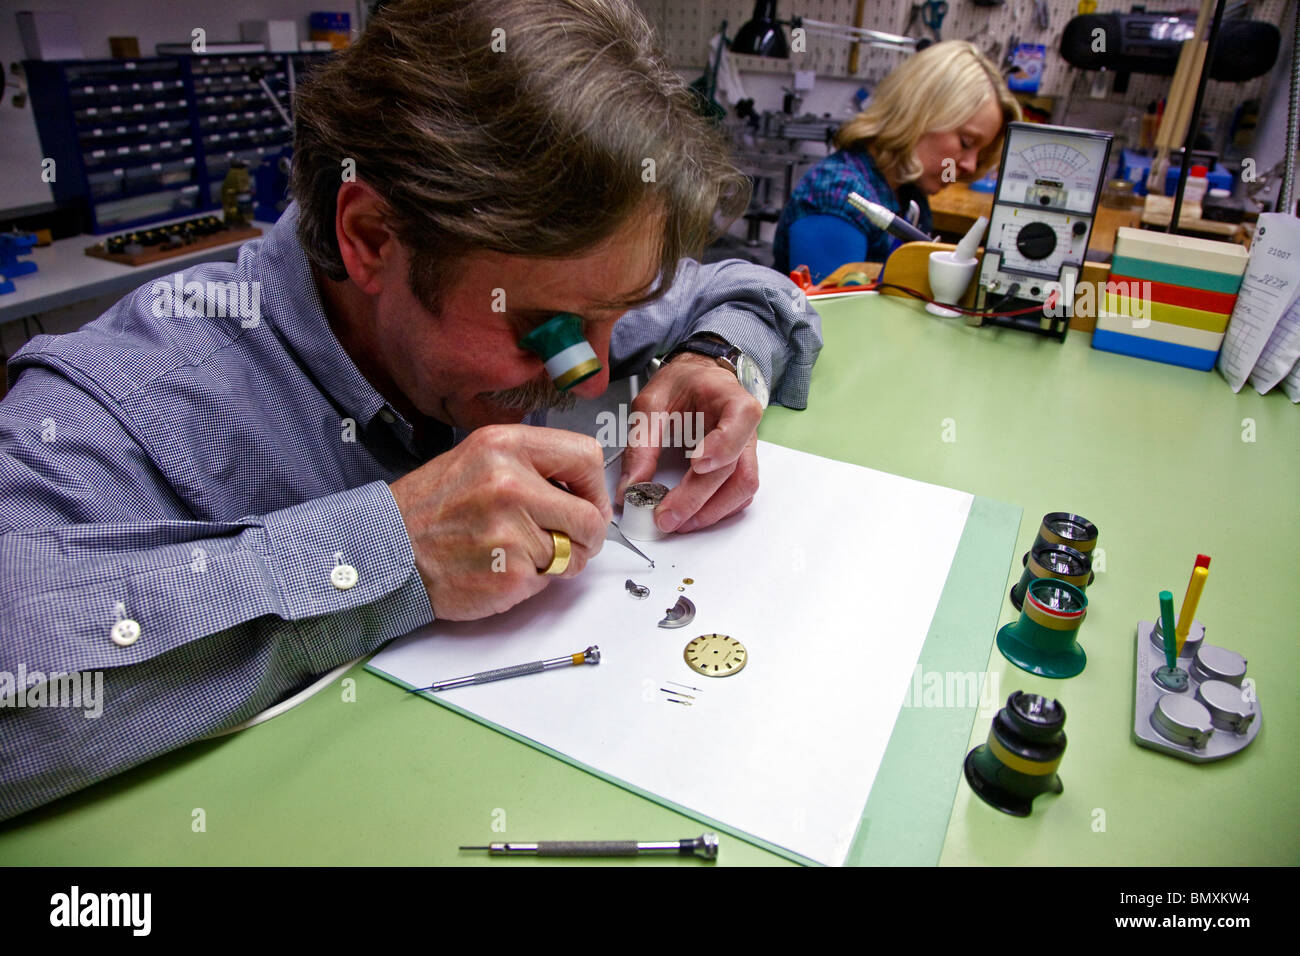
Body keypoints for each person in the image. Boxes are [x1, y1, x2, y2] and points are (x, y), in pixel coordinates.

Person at [0, 0, 821, 820]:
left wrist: (716, 356)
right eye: (552, 328)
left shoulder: (559, 275)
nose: (590, 373)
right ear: (370, 239)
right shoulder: (121, 404)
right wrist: (392, 550)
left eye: (614, 318)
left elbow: (743, 286)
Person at [772, 40, 1021, 281]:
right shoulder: (838, 196)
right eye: (966, 142)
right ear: (919, 113)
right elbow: (827, 319)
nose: (970, 165)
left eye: (980, 152)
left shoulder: (907, 194)